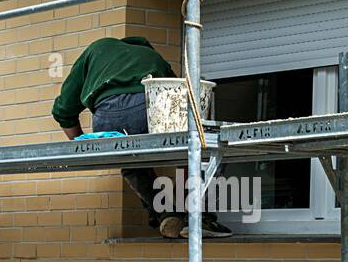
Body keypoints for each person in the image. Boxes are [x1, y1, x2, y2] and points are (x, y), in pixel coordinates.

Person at [52, 36, 232, 239]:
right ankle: (200, 218)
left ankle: (165, 214)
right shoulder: (152, 56)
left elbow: (63, 110)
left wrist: (83, 144)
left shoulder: (96, 50)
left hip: (105, 119)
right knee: (207, 149)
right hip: (147, 110)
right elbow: (179, 98)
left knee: (130, 159)